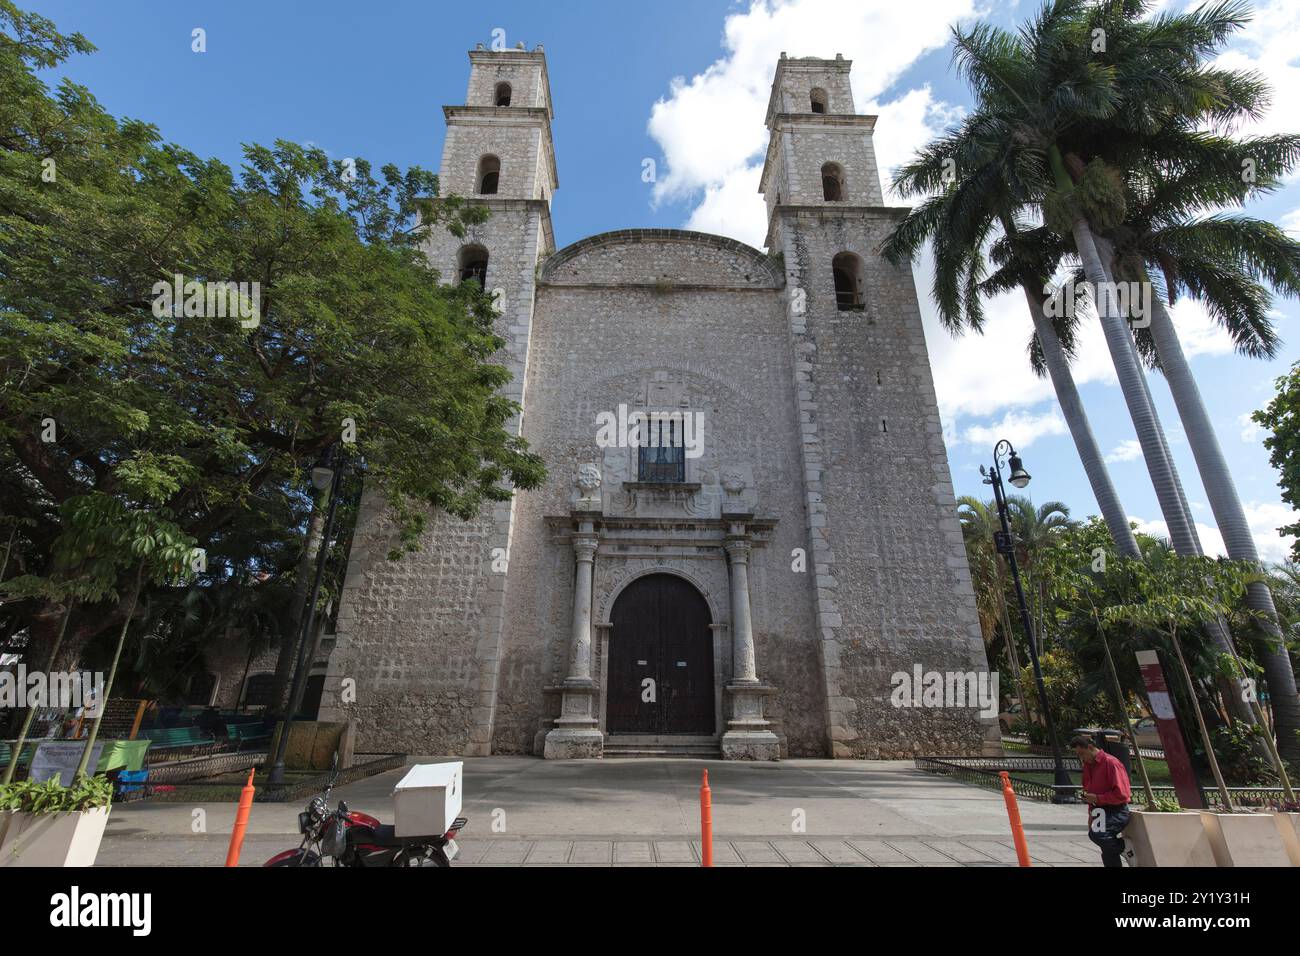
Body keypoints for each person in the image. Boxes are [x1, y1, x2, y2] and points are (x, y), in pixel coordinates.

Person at [1071, 734, 1132, 867]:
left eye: (1082, 753)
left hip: (1116, 810)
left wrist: (1098, 798)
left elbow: (1123, 794)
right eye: (1078, 755)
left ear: (1091, 747)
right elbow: (1089, 791)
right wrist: (1091, 813)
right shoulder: (1088, 765)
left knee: (1098, 835)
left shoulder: (1111, 763)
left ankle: (1124, 846)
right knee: (1105, 848)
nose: (1081, 758)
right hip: (1099, 809)